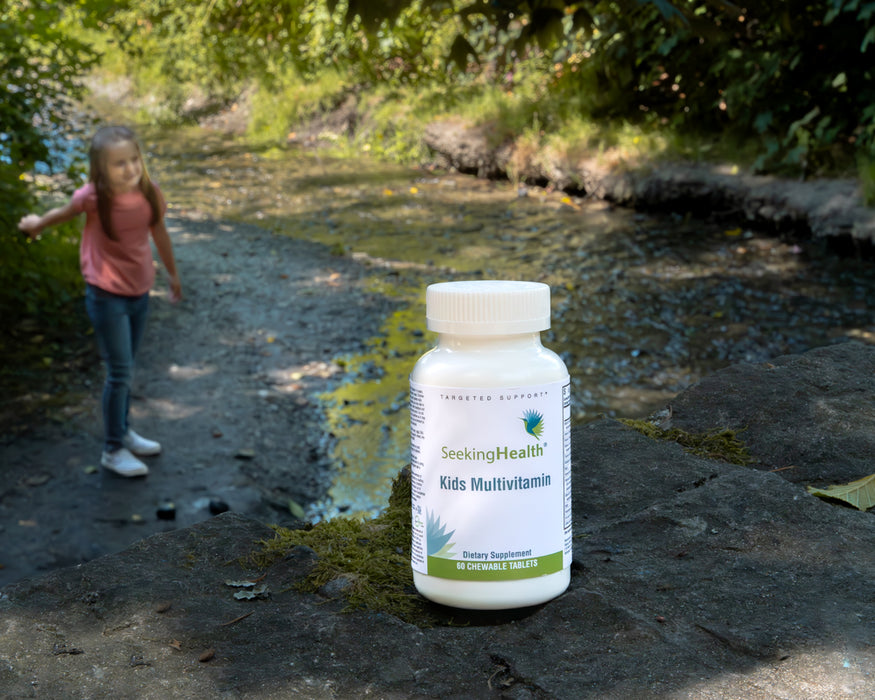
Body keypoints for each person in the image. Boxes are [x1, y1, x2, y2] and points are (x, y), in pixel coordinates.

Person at [18, 125, 182, 478]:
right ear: (100, 169)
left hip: (139, 292)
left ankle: (123, 431)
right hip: (106, 295)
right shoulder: (92, 198)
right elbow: (61, 213)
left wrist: (172, 274)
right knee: (119, 372)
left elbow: (159, 232)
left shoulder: (150, 193)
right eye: (119, 163)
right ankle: (112, 449)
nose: (130, 168)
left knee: (127, 367)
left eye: (134, 159)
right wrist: (36, 224)